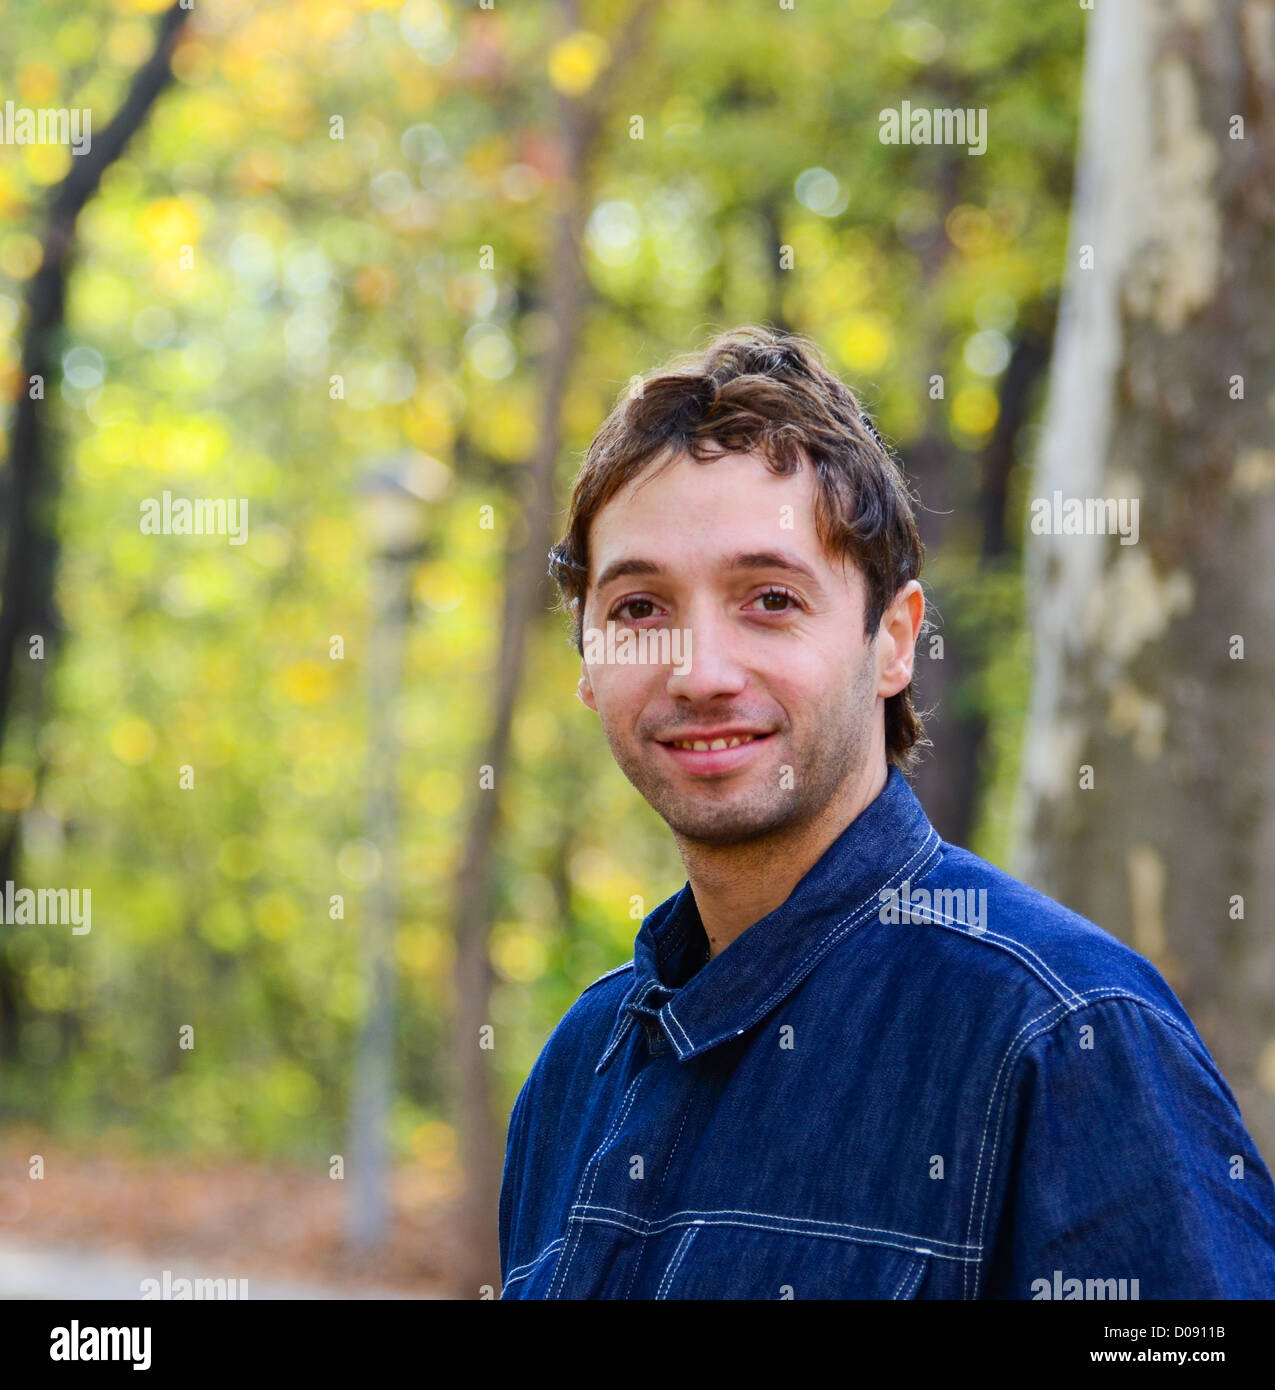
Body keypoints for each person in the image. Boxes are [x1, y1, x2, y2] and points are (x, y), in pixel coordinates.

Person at [497, 325, 1275, 1299]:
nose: (699, 673)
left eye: (770, 598)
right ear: (587, 661)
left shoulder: (1065, 1034)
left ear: (893, 640)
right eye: (639, 610)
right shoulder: (578, 1070)